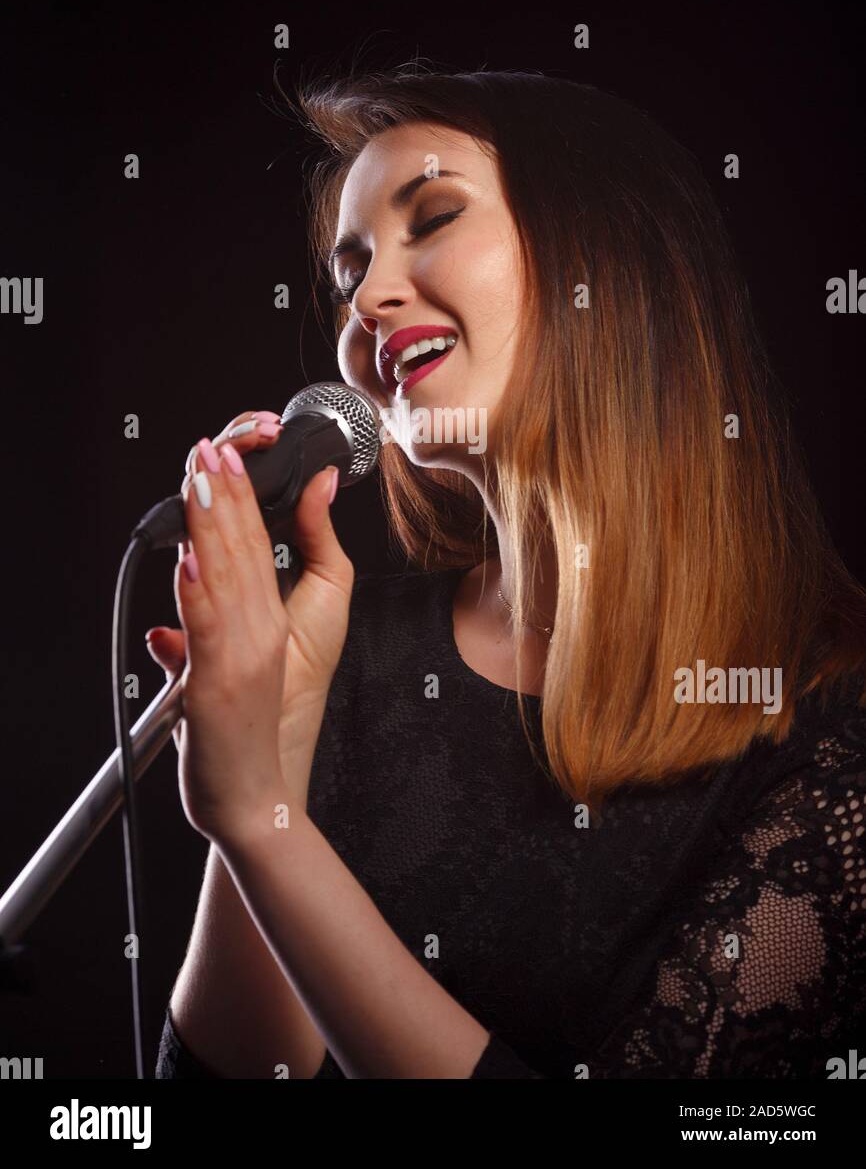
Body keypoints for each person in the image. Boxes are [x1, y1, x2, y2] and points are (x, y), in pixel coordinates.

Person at [150, 68, 866, 1079]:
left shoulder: (832, 719)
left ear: (607, 257)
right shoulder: (355, 642)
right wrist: (280, 740)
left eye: (431, 217)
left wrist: (266, 830)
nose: (365, 301)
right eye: (347, 272)